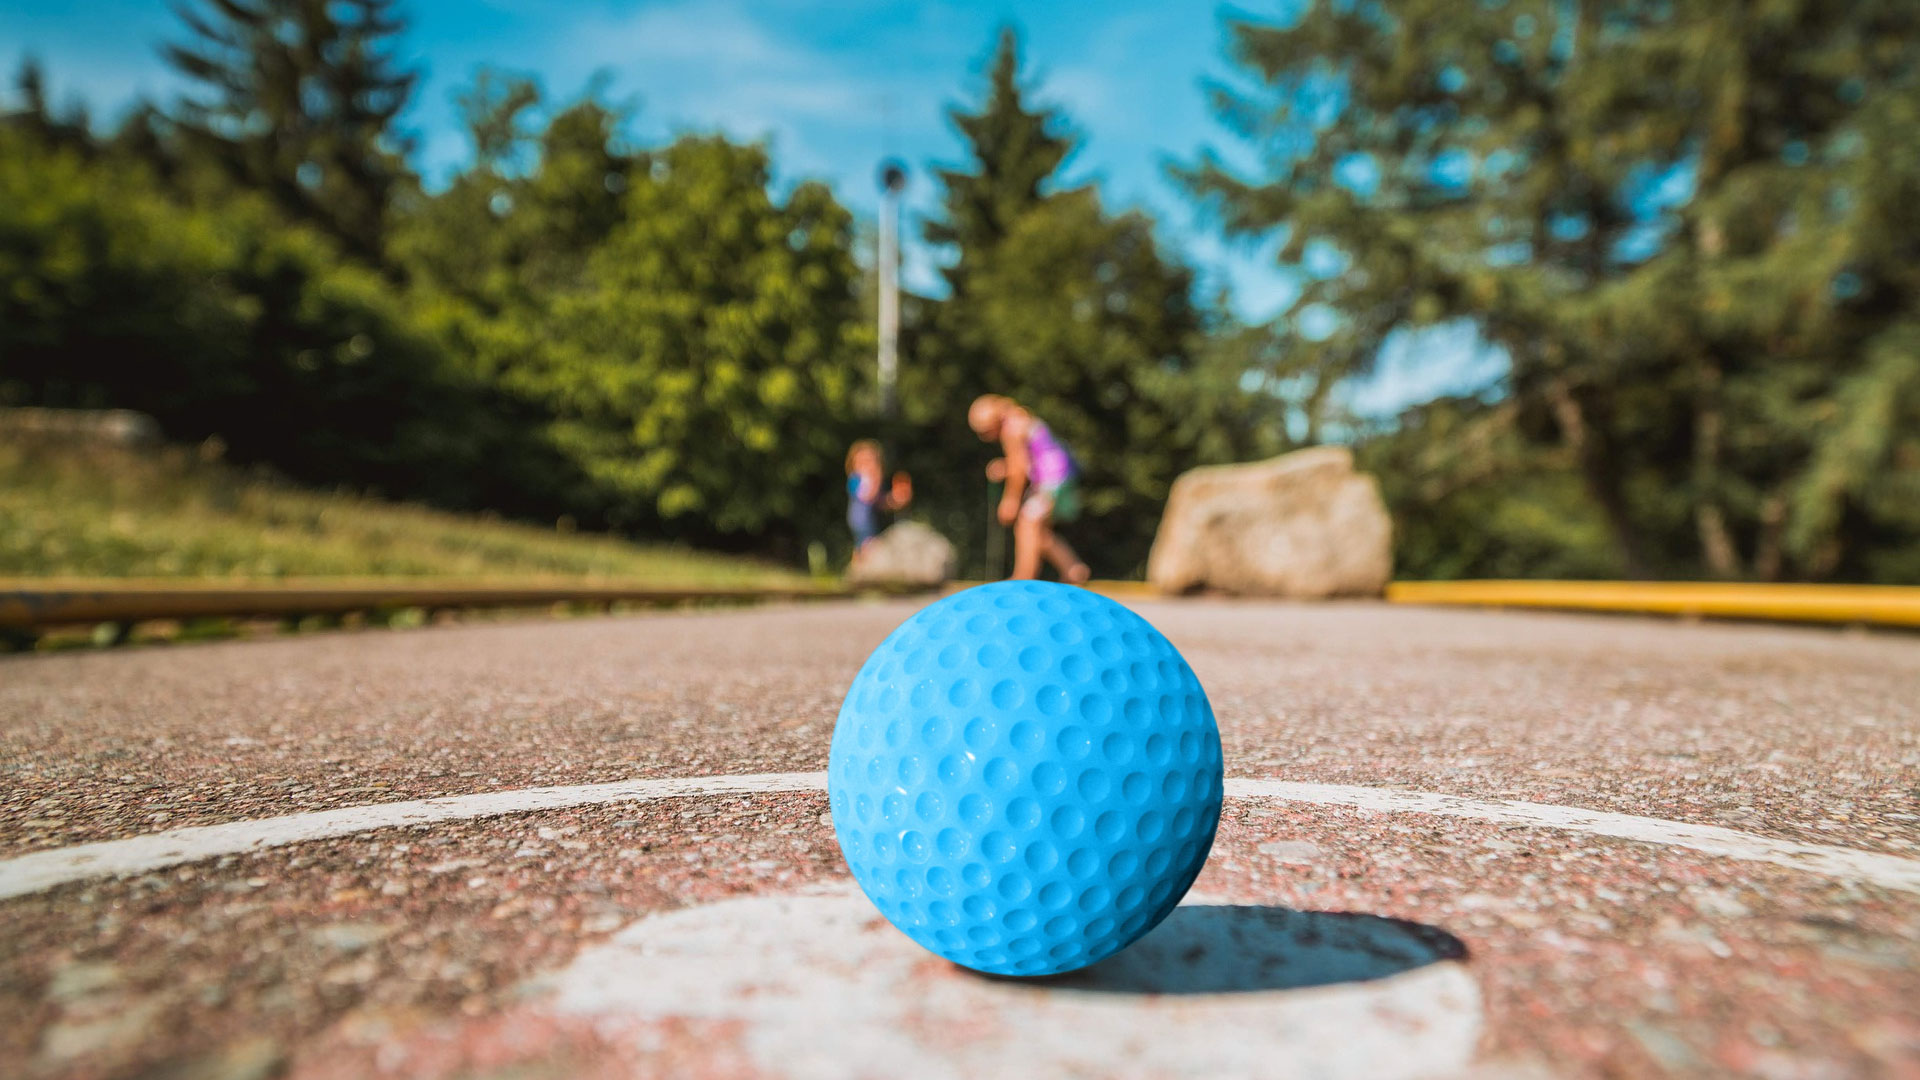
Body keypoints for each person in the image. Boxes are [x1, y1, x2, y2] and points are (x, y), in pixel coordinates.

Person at [968, 394, 1091, 584]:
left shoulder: (1011, 428)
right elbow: (1030, 459)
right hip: (1061, 476)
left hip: (1051, 480)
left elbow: (1019, 467)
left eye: (984, 431)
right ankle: (1073, 569)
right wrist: (1005, 467)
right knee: (1040, 533)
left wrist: (1011, 499)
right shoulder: (1020, 417)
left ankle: (1023, 578)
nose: (984, 437)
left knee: (1027, 523)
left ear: (994, 421)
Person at [846, 439, 912, 557]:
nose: (868, 466)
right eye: (863, 462)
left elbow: (881, 502)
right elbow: (868, 496)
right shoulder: (856, 480)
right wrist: (876, 476)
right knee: (867, 546)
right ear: (853, 464)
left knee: (864, 546)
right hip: (859, 520)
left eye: (871, 462)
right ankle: (858, 570)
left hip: (869, 521)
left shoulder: (870, 482)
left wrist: (897, 498)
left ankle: (860, 569)